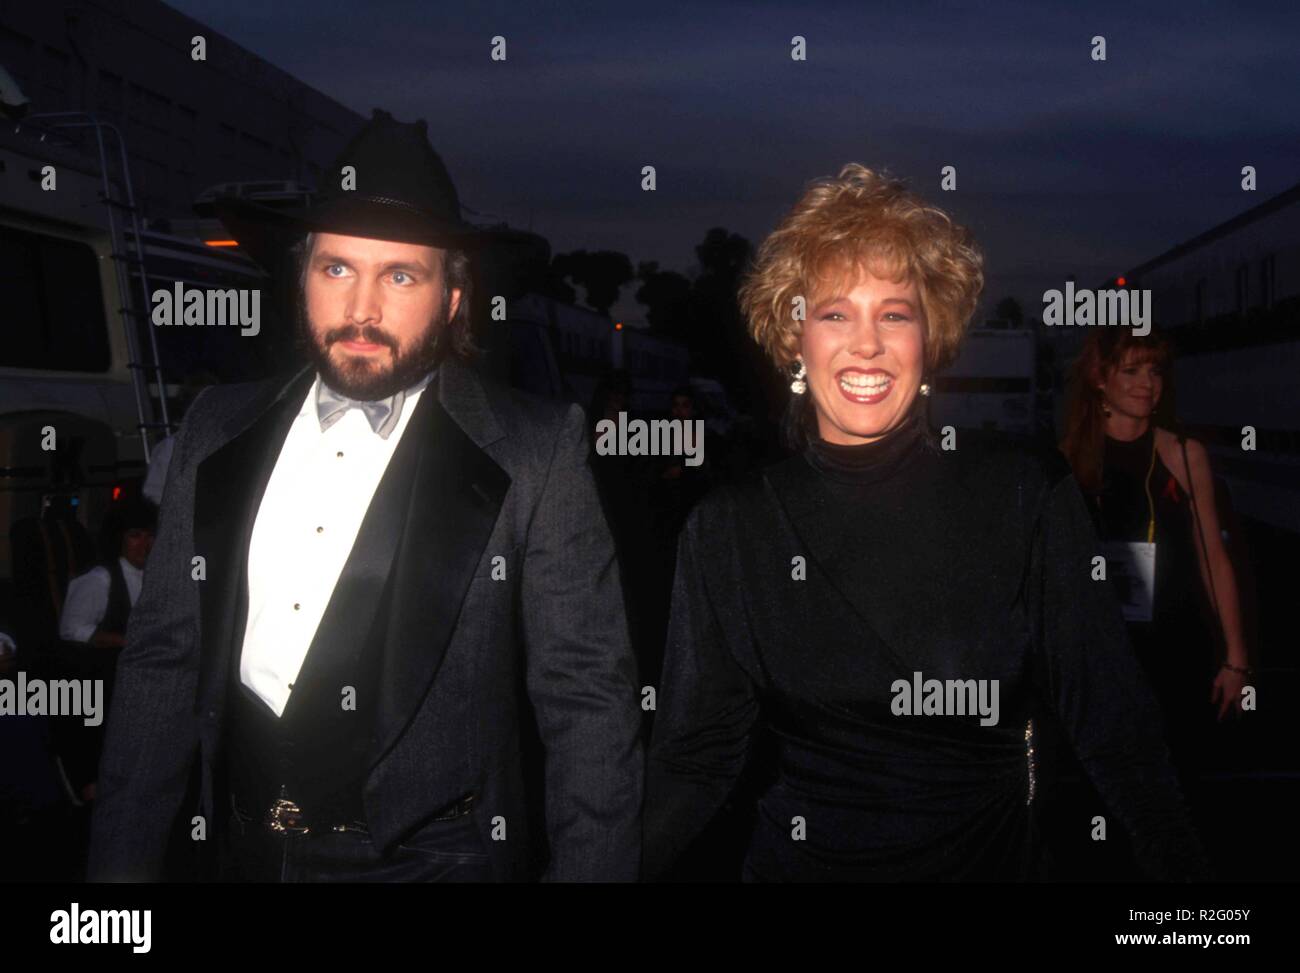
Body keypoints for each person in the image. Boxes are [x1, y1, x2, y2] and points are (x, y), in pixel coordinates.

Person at [87, 110, 642, 883]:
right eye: (338, 268)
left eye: (401, 275)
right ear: (302, 275)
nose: (362, 308)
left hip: (430, 864)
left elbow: (588, 708)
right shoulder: (216, 426)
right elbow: (161, 665)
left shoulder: (537, 451)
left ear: (453, 297)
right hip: (236, 855)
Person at [643, 164, 1209, 882]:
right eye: (835, 313)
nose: (867, 342)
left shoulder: (1022, 494)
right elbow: (694, 760)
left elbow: (1114, 720)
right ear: (795, 340)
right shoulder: (729, 530)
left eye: (895, 312)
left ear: (930, 334)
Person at [1060, 328, 1250, 782]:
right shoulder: (1068, 459)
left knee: (1178, 790)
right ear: (1099, 379)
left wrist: (1236, 659)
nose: (1148, 382)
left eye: (1155, 370)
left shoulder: (1184, 455)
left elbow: (1214, 560)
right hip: (1100, 657)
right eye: (1131, 370)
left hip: (1176, 650)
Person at [56, 497, 157, 803]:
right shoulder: (100, 579)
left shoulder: (160, 578)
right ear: (120, 538)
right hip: (104, 679)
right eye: (135, 535)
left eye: (150, 535)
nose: (145, 544)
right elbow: (71, 629)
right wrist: (126, 641)